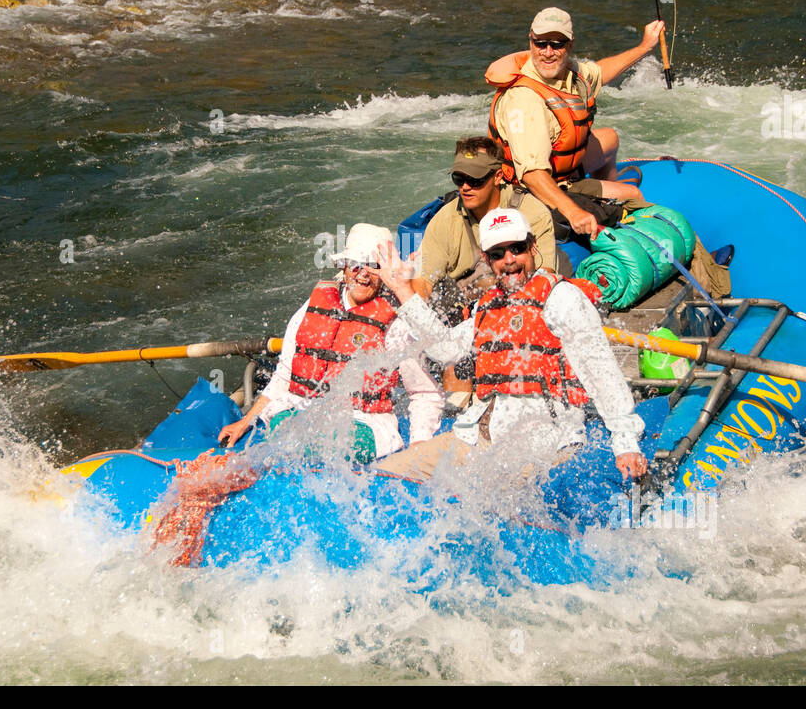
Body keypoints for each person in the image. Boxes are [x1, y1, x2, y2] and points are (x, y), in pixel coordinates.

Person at [373, 208, 647, 483]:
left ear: (533, 246)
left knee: (489, 503)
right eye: (498, 253)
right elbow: (445, 349)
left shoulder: (563, 299)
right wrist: (402, 290)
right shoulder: (487, 304)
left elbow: (602, 373)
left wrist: (626, 443)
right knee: (384, 479)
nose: (509, 260)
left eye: (517, 248)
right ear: (486, 259)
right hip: (477, 436)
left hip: (542, 446)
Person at [215, 223, 442, 462]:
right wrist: (245, 421)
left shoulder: (396, 323)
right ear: (343, 266)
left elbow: (425, 393)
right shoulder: (314, 305)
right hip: (304, 410)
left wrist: (419, 448)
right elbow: (285, 375)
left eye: (374, 265)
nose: (363, 273)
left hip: (365, 423)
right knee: (285, 431)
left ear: (385, 272)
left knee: (329, 447)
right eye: (356, 263)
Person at [487, 7, 662, 240]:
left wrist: (644, 47)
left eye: (557, 44)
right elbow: (532, 174)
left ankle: (603, 199)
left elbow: (600, 72)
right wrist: (574, 212)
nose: (548, 52)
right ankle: (614, 220)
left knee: (609, 138)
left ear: (569, 45)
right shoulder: (524, 99)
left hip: (559, 168)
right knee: (633, 195)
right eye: (541, 43)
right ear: (531, 42)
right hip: (528, 188)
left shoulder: (569, 72)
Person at [410, 135, 567, 321]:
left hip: (524, 302)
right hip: (467, 309)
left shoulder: (533, 214)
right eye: (459, 179)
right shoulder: (445, 220)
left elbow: (545, 278)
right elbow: (423, 284)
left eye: (475, 179)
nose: (465, 187)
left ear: (498, 177)